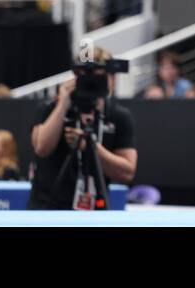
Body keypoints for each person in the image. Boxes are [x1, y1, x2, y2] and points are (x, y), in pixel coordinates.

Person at [27, 50, 137, 209]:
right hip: (48, 209)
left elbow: (127, 172)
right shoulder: (49, 108)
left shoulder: (118, 117)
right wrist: (63, 104)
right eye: (85, 75)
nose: (91, 82)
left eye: (99, 76)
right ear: (75, 76)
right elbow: (41, 148)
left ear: (112, 79)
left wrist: (91, 147)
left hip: (95, 210)